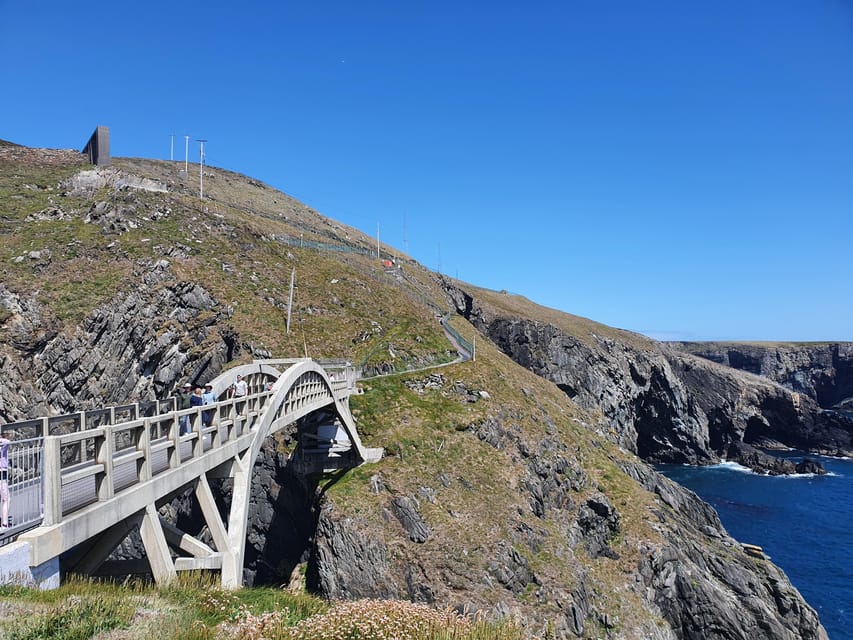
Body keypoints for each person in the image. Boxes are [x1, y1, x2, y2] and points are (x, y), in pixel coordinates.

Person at [0, 435, 10, 531]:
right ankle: (4, 524)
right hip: (1, 473)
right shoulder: (3, 444)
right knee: (6, 499)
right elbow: (7, 441)